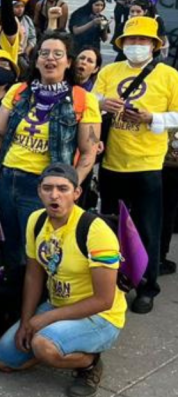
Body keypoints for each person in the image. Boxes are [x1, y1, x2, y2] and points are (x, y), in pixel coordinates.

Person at [0, 163, 127, 397]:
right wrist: (26, 321)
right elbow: (34, 275)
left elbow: (104, 300)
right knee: (3, 360)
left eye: (63, 189)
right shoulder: (36, 220)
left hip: (100, 316)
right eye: (48, 188)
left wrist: (45, 319)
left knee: (43, 345)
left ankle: (89, 362)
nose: (54, 195)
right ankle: (57, 345)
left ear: (77, 193)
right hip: (58, 305)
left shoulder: (96, 230)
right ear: (39, 191)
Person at [0, 32, 101, 269]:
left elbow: (89, 152)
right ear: (36, 60)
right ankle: (12, 300)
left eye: (58, 54)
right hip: (7, 181)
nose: (50, 59)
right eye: (44, 53)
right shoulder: (18, 92)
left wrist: (70, 186)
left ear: (68, 62)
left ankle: (35, 304)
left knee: (39, 254)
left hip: (45, 188)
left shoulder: (83, 100)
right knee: (12, 249)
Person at [94, 17, 178, 314]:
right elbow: (91, 102)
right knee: (110, 228)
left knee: (146, 229)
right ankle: (114, 280)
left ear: (154, 45)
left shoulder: (169, 76)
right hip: (112, 163)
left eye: (142, 41)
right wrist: (103, 104)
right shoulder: (110, 70)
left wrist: (152, 118)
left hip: (148, 165)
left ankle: (147, 286)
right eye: (131, 40)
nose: (136, 46)